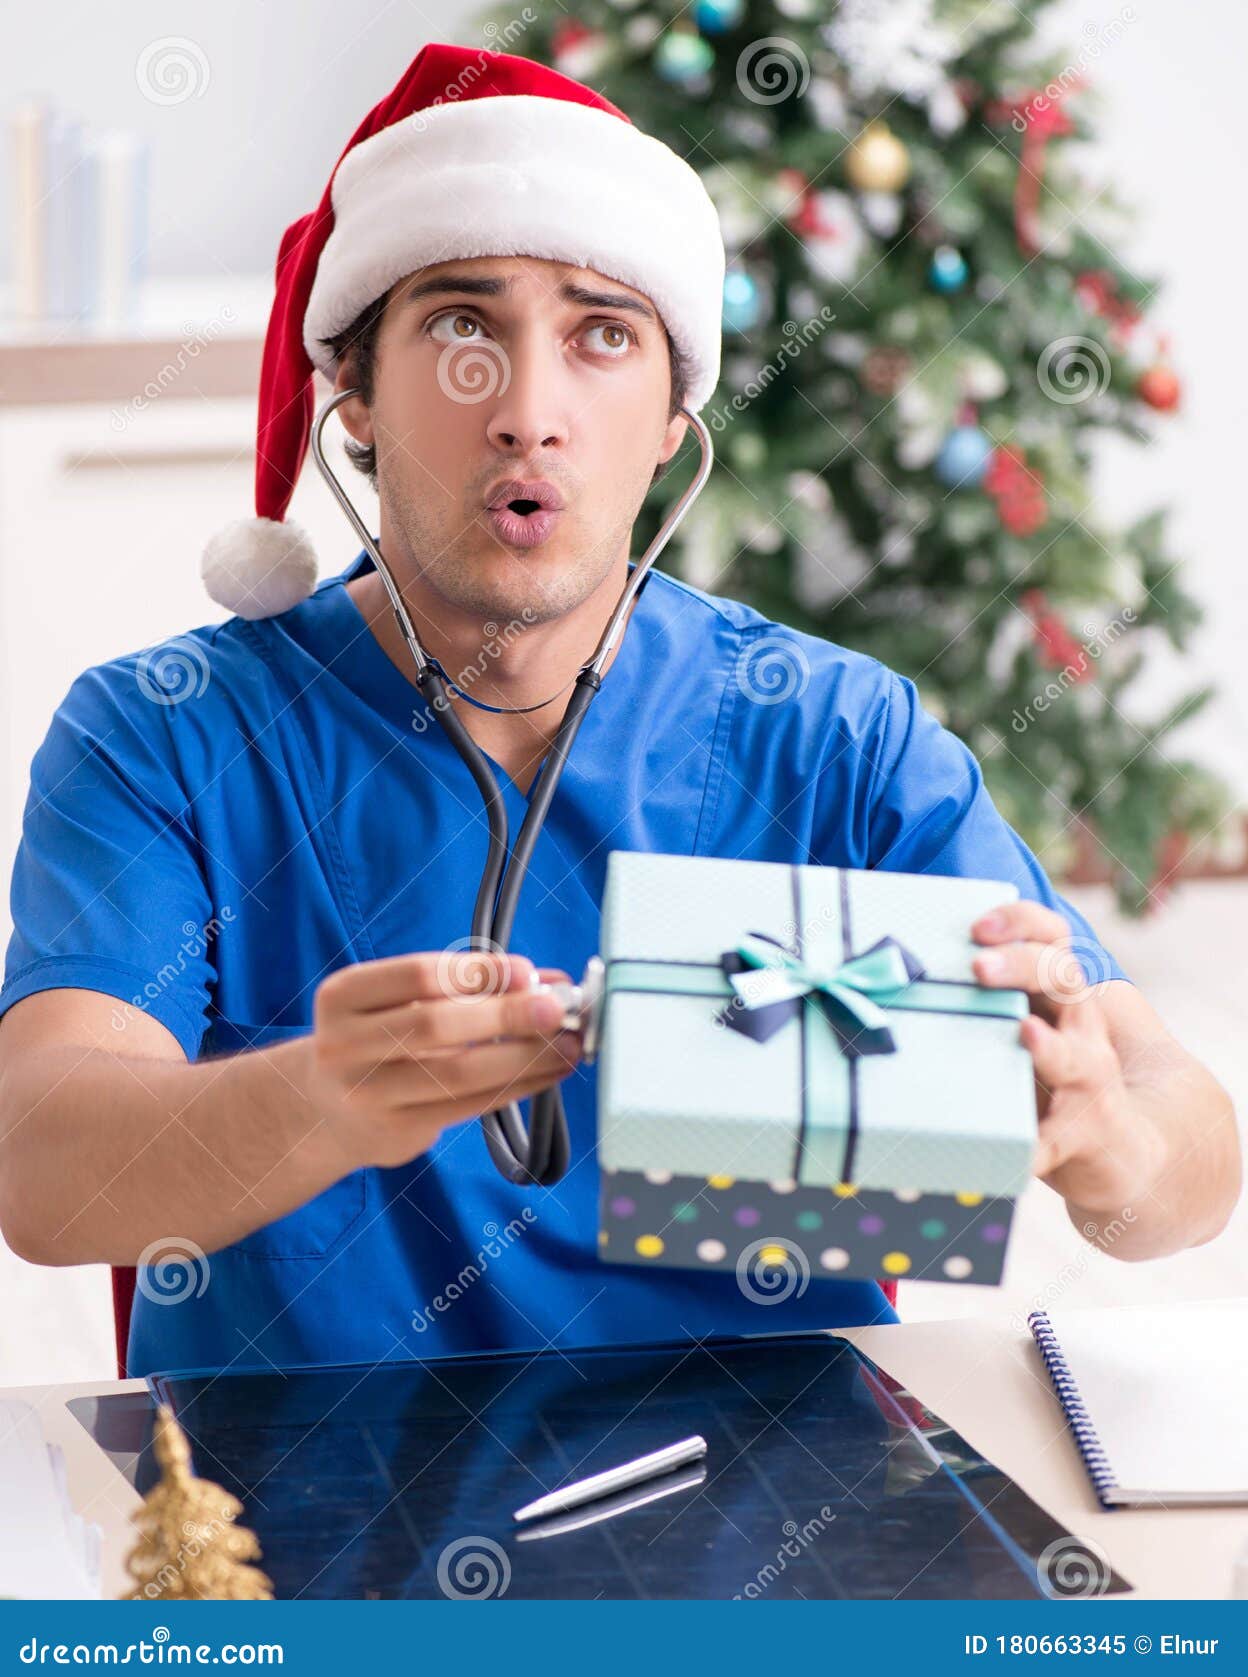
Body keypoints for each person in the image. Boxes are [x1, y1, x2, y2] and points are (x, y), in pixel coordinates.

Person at [0, 44, 1237, 1380]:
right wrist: (323, 1097)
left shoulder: (831, 737)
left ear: (671, 417)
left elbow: (1191, 1154)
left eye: (603, 335)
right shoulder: (167, 733)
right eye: (463, 326)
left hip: (767, 1529)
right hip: (303, 1534)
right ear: (350, 392)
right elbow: (44, 1166)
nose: (529, 413)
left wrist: (1106, 1137)